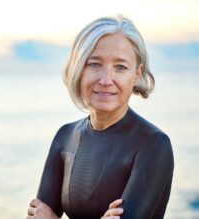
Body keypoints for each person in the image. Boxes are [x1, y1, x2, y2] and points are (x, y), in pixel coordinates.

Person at [26, 15, 174, 219]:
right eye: (94, 64)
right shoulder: (65, 136)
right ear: (78, 69)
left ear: (136, 75)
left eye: (120, 67)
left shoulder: (154, 145)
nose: (105, 80)